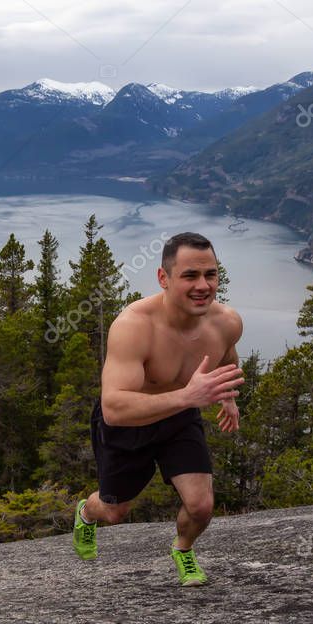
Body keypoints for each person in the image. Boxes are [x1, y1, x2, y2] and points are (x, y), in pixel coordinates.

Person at [72, 232, 244, 586]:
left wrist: (226, 395)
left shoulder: (226, 322)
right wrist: (187, 398)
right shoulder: (134, 326)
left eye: (211, 275)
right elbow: (114, 407)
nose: (203, 286)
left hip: (180, 418)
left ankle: (182, 549)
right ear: (163, 278)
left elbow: (227, 357)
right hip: (129, 424)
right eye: (190, 276)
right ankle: (87, 513)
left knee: (201, 506)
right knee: (115, 511)